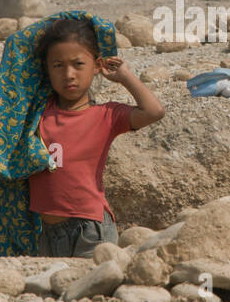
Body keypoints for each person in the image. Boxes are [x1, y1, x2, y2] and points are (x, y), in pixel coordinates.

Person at [29, 17, 165, 257]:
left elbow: (154, 112)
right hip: (46, 233)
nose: (69, 74)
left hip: (90, 230)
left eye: (78, 64)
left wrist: (124, 76)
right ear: (46, 70)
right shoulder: (36, 114)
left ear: (96, 65)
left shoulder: (106, 116)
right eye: (58, 65)